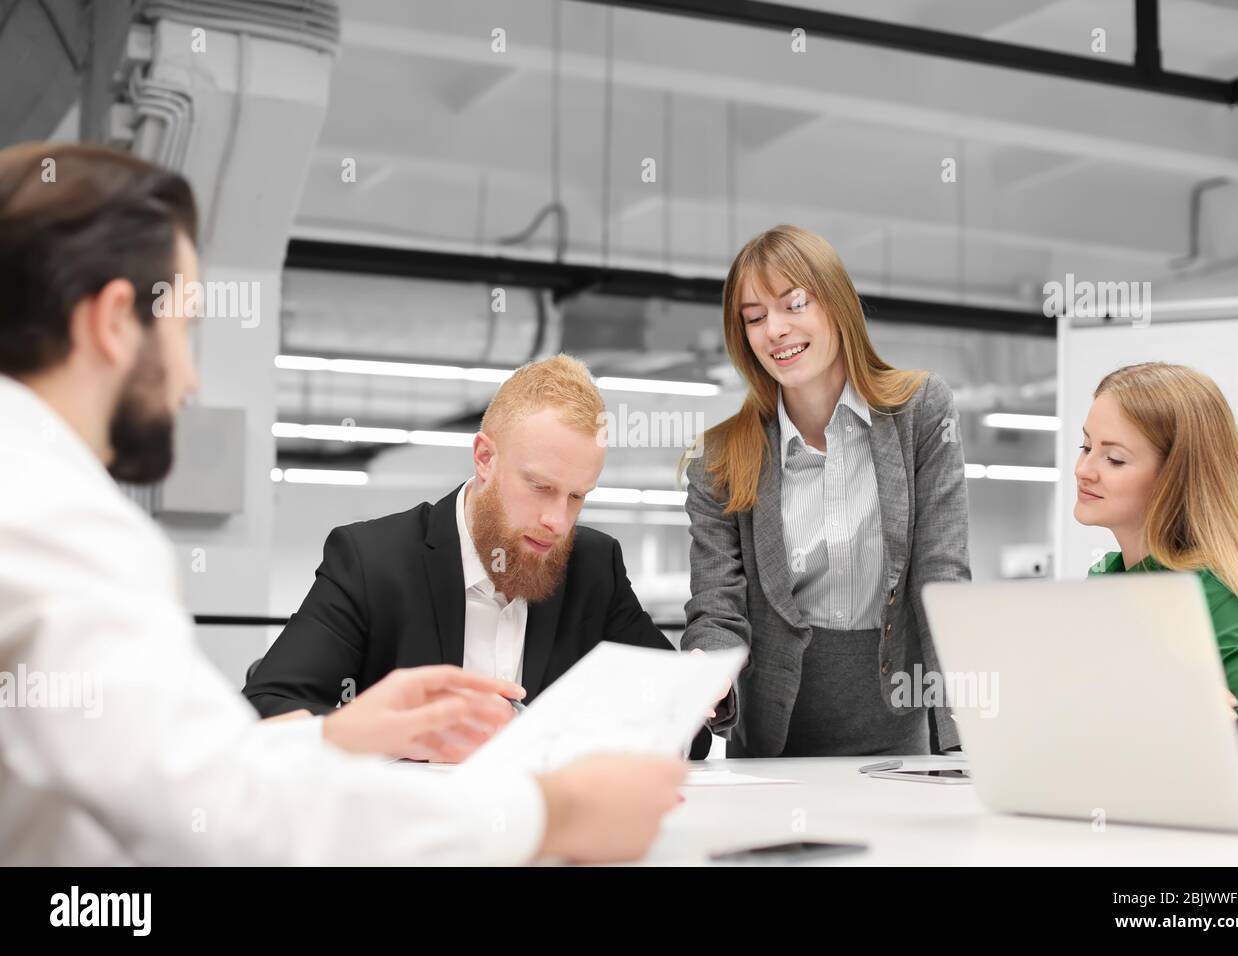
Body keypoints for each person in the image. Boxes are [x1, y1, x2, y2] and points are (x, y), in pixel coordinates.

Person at [0, 140, 685, 865]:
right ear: (113, 322)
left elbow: (166, 770)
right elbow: (219, 811)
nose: (191, 378)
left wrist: (336, 735)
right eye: (184, 329)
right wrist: (552, 814)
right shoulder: (56, 517)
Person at [242, 354, 713, 759]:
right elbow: (268, 706)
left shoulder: (593, 566)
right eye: (540, 487)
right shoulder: (372, 561)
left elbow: (687, 730)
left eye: (577, 497)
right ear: (485, 458)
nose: (558, 521)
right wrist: (403, 736)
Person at [680, 224, 970, 758]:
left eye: (795, 304)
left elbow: (940, 576)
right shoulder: (720, 458)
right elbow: (718, 605)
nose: (775, 330)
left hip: (897, 743)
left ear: (836, 305)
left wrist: (962, 740)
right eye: (755, 317)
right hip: (773, 750)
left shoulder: (919, 412)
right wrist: (707, 669)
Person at [1075, 362, 1238, 719]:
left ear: (1175, 478)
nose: (1083, 470)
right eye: (1086, 446)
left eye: (1114, 459)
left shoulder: (1211, 590)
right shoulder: (1105, 578)